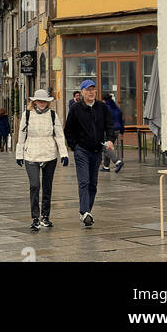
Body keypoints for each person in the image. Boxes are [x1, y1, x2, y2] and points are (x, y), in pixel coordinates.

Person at [63, 78, 116, 227]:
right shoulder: (75, 108)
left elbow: (110, 126)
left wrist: (111, 139)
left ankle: (86, 213)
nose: (91, 92)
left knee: (93, 183)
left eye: (93, 89)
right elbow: (68, 129)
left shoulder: (102, 107)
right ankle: (85, 211)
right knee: (84, 181)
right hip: (82, 150)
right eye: (88, 90)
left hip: (97, 150)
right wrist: (74, 146)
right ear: (82, 92)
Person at [15, 89, 70, 231]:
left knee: (47, 186)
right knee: (34, 185)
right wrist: (19, 154)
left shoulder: (53, 115)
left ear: (48, 102)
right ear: (34, 102)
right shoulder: (27, 115)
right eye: (39, 101)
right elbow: (21, 137)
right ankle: (35, 217)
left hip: (49, 154)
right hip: (31, 153)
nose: (42, 104)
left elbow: (59, 135)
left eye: (45, 101)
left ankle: (45, 216)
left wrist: (63, 153)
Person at [101, 93, 125, 173]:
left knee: (105, 146)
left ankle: (117, 162)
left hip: (108, 130)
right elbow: (121, 120)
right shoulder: (116, 108)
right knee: (108, 145)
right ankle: (106, 166)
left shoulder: (105, 108)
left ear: (103, 100)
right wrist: (122, 132)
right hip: (117, 130)